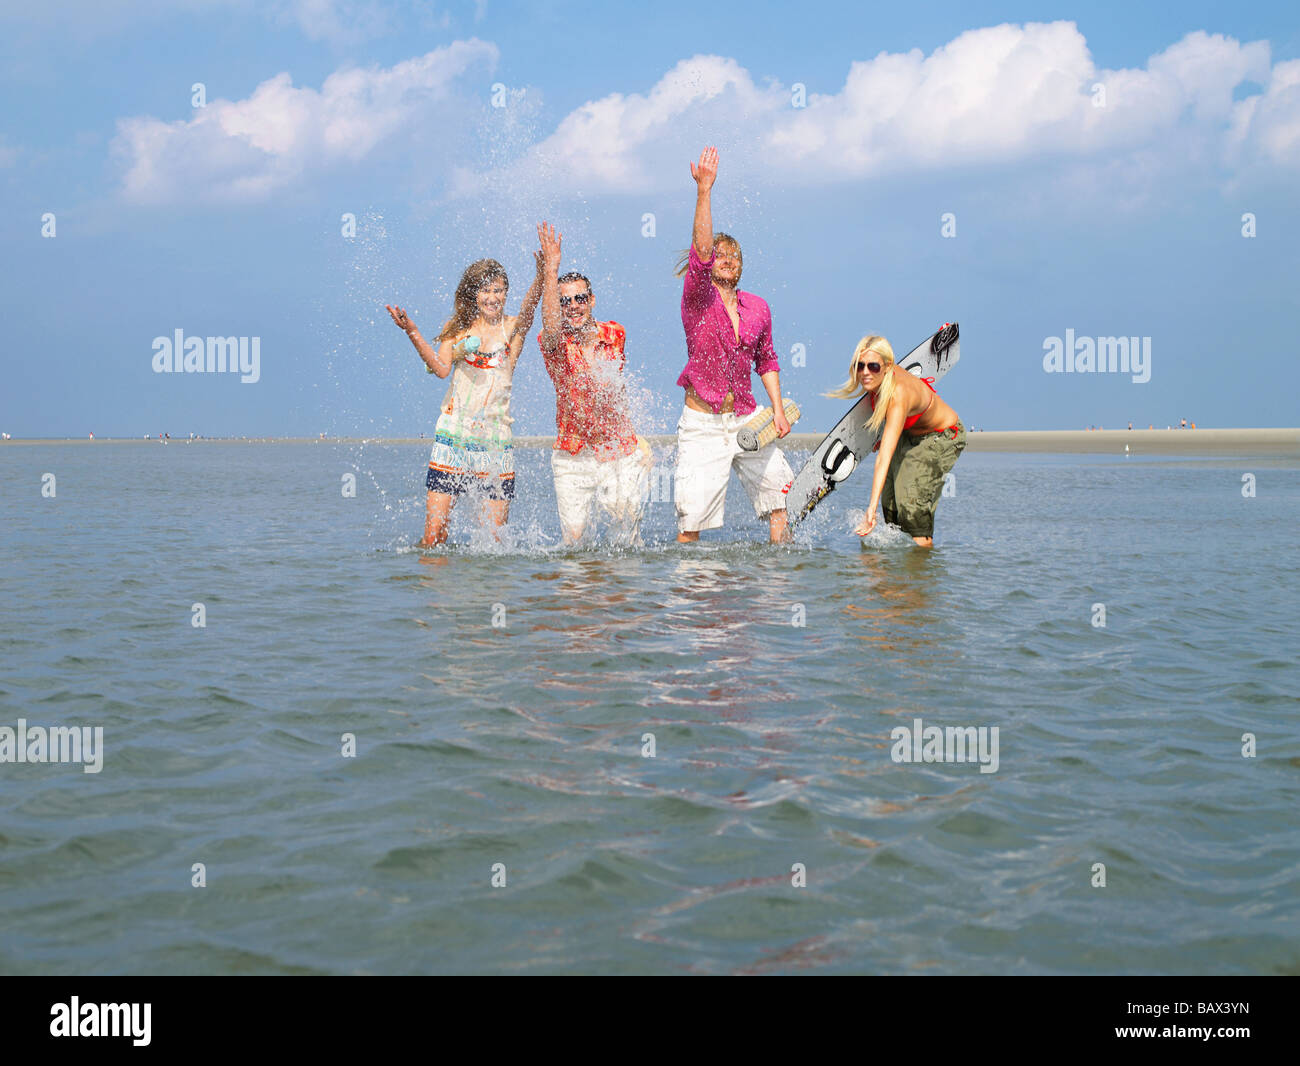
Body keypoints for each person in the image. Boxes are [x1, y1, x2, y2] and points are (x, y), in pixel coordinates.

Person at [673, 146, 793, 544]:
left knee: (780, 496)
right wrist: (704, 190)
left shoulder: (758, 307)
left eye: (734, 256)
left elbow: (767, 361)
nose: (726, 259)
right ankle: (692, 580)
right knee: (691, 519)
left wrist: (778, 410)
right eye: (720, 255)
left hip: (746, 417)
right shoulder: (697, 298)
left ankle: (778, 571)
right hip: (702, 423)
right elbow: (701, 252)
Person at [386, 248, 543, 546]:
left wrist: (541, 274)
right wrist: (412, 331)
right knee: (434, 536)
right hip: (453, 438)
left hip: (495, 442)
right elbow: (441, 369)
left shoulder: (512, 328)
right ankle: (434, 576)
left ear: (506, 293)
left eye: (499, 290)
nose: (493, 297)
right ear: (474, 294)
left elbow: (530, 307)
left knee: (494, 542)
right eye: (486, 290)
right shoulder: (456, 328)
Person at [535, 221, 649, 544]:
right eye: (565, 301)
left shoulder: (616, 334)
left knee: (626, 535)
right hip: (573, 455)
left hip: (617, 449)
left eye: (579, 298)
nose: (573, 306)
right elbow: (552, 328)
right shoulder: (554, 344)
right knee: (574, 543)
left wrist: (638, 446)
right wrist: (550, 270)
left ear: (592, 300)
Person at [832, 335, 966, 547]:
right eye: (860, 366)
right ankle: (896, 566)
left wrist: (870, 509)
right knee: (891, 505)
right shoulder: (878, 384)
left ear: (887, 367)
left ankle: (922, 559)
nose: (865, 372)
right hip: (909, 432)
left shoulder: (897, 395)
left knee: (911, 506)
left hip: (941, 435)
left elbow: (883, 458)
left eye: (873, 366)